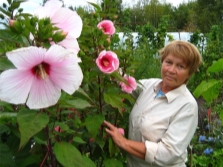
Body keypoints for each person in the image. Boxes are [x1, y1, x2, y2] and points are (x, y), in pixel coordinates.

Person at [103, 40, 203, 167]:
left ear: (190, 73)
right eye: (168, 62)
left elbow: (168, 153)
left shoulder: (187, 106)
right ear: (162, 62)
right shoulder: (149, 85)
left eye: (180, 66)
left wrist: (123, 142)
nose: (171, 70)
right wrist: (104, 55)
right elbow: (123, 82)